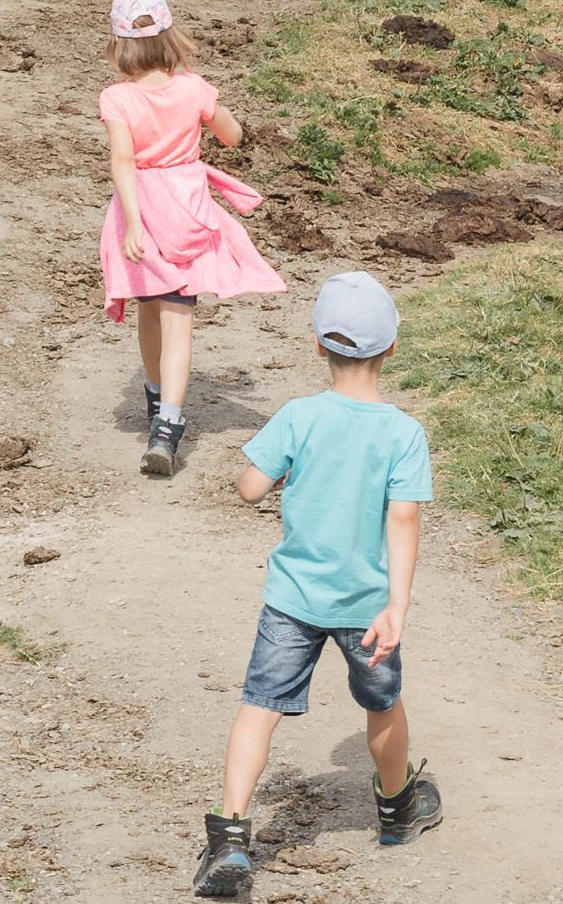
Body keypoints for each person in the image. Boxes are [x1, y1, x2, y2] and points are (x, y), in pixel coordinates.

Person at [197, 270, 442, 896]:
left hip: (292, 599)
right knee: (382, 706)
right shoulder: (403, 433)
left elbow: (249, 486)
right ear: (392, 347)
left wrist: (277, 473)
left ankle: (229, 839)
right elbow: (405, 517)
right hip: (368, 609)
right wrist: (397, 606)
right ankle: (397, 810)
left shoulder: (298, 416)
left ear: (316, 345)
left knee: (259, 708)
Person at [98, 0, 283, 476]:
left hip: (142, 210)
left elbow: (121, 161)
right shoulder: (194, 88)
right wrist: (203, 108)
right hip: (186, 208)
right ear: (170, 38)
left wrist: (133, 223)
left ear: (119, 46)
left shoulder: (117, 97)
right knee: (180, 320)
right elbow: (234, 135)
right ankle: (169, 427)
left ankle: (156, 399)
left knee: (148, 306)